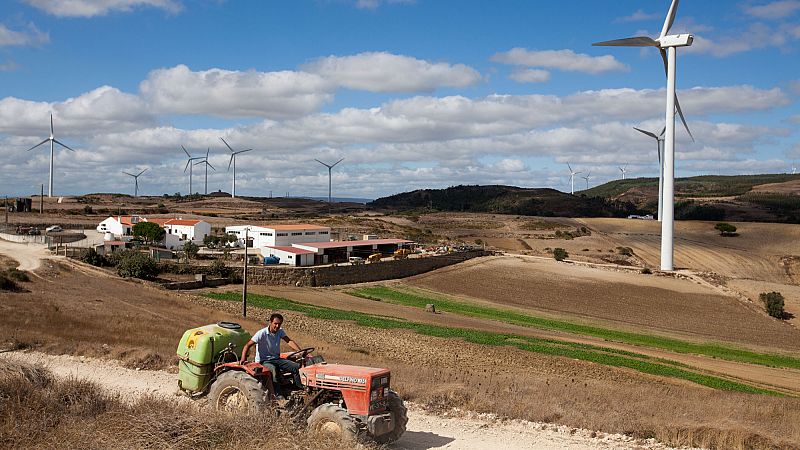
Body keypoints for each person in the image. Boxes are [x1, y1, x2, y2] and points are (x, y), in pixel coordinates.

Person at [240, 313, 304, 398]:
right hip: (264, 361)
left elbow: (289, 341)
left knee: (297, 367)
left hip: (276, 359)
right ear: (270, 322)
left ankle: (298, 390)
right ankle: (278, 395)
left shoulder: (280, 331)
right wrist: (243, 358)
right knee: (273, 369)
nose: (277, 326)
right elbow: (247, 345)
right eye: (275, 323)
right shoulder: (261, 333)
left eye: (279, 324)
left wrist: (300, 351)